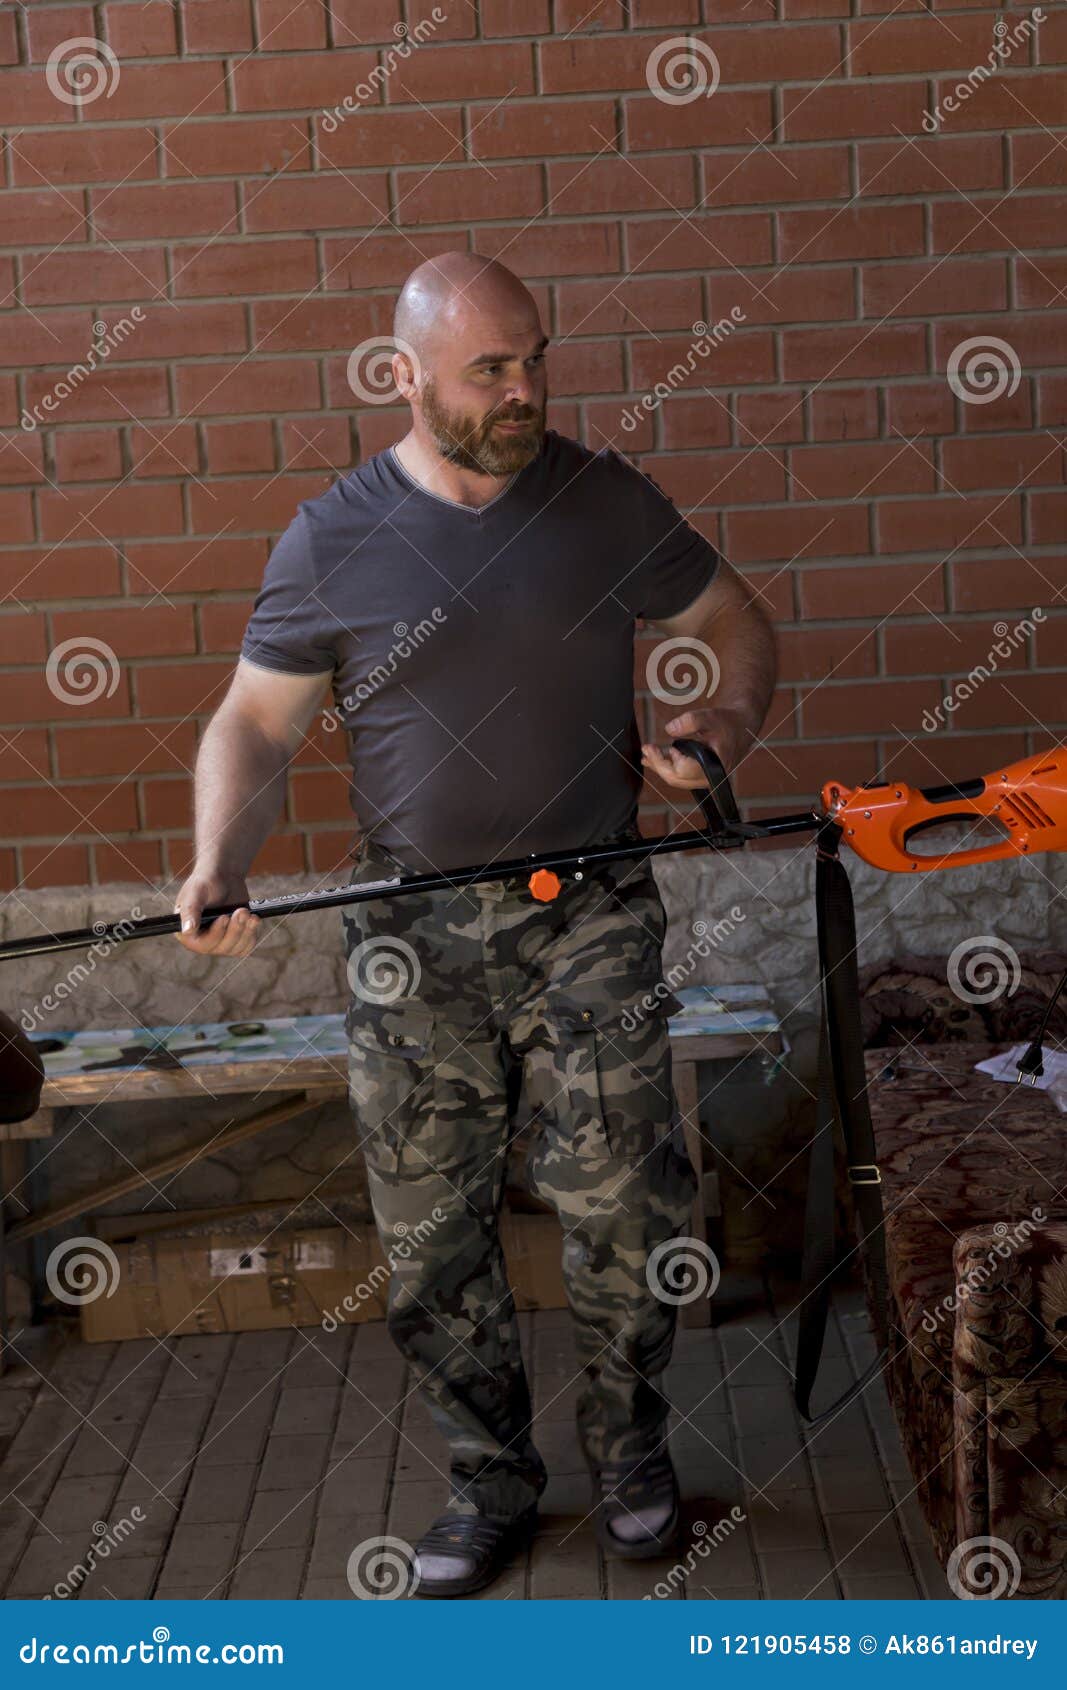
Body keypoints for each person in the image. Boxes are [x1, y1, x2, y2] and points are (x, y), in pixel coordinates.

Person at [175, 253, 776, 1597]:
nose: (526, 391)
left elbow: (735, 621)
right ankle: (488, 1477)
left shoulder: (601, 499)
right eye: (491, 369)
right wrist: (221, 857)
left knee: (624, 1198)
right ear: (404, 375)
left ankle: (629, 1452)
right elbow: (256, 722)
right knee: (431, 1234)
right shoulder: (333, 536)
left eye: (536, 360)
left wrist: (718, 722)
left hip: (593, 905)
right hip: (411, 927)